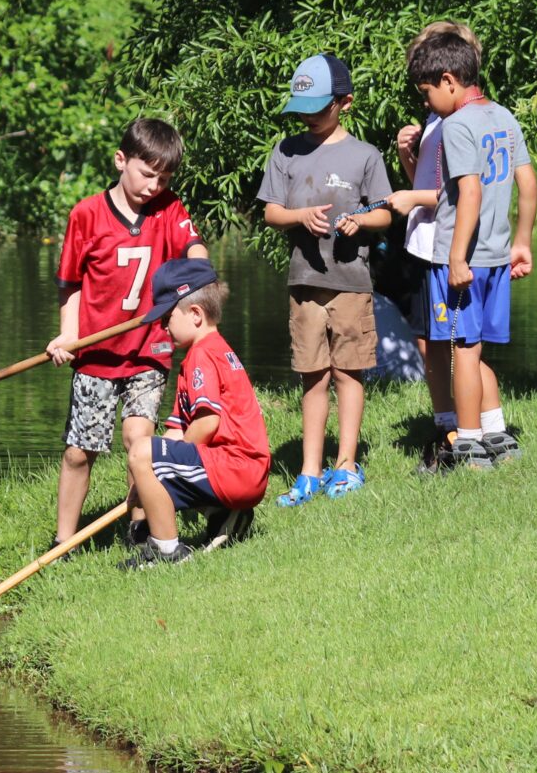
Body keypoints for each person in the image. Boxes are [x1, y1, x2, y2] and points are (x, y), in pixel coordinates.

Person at [46, 118, 209, 548]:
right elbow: (71, 284)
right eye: (147, 174)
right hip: (96, 356)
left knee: (140, 442)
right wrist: (67, 335)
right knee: (80, 451)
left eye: (165, 178)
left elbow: (195, 248)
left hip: (148, 351)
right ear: (121, 160)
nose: (154, 186)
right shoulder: (86, 214)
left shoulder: (169, 209)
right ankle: (63, 542)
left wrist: (195, 266)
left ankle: (141, 530)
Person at [389, 31, 537, 469]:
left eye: (427, 92)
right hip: (496, 255)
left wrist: (455, 257)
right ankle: (498, 435)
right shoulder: (503, 116)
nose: (427, 102)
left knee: (463, 350)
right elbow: (527, 183)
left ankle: (469, 442)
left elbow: (468, 193)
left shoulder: (456, 125)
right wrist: (523, 242)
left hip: (461, 261)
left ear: (449, 80)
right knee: (477, 348)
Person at [255, 53, 393, 505]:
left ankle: (347, 465)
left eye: (319, 107)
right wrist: (300, 216)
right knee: (312, 375)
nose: (309, 116)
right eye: (303, 108)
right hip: (305, 282)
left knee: (347, 371)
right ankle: (309, 472)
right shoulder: (285, 151)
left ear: (345, 102)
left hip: (352, 281)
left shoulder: (365, 156)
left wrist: (361, 221)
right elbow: (271, 211)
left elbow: (386, 212)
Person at [121, 258, 271, 568]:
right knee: (148, 455)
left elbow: (207, 422)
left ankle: (167, 550)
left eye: (167, 317)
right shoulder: (206, 352)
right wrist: (145, 479)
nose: (163, 326)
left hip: (236, 469)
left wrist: (155, 464)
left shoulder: (203, 355)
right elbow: (177, 429)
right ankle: (224, 514)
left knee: (142, 451)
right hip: (242, 471)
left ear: (196, 315)